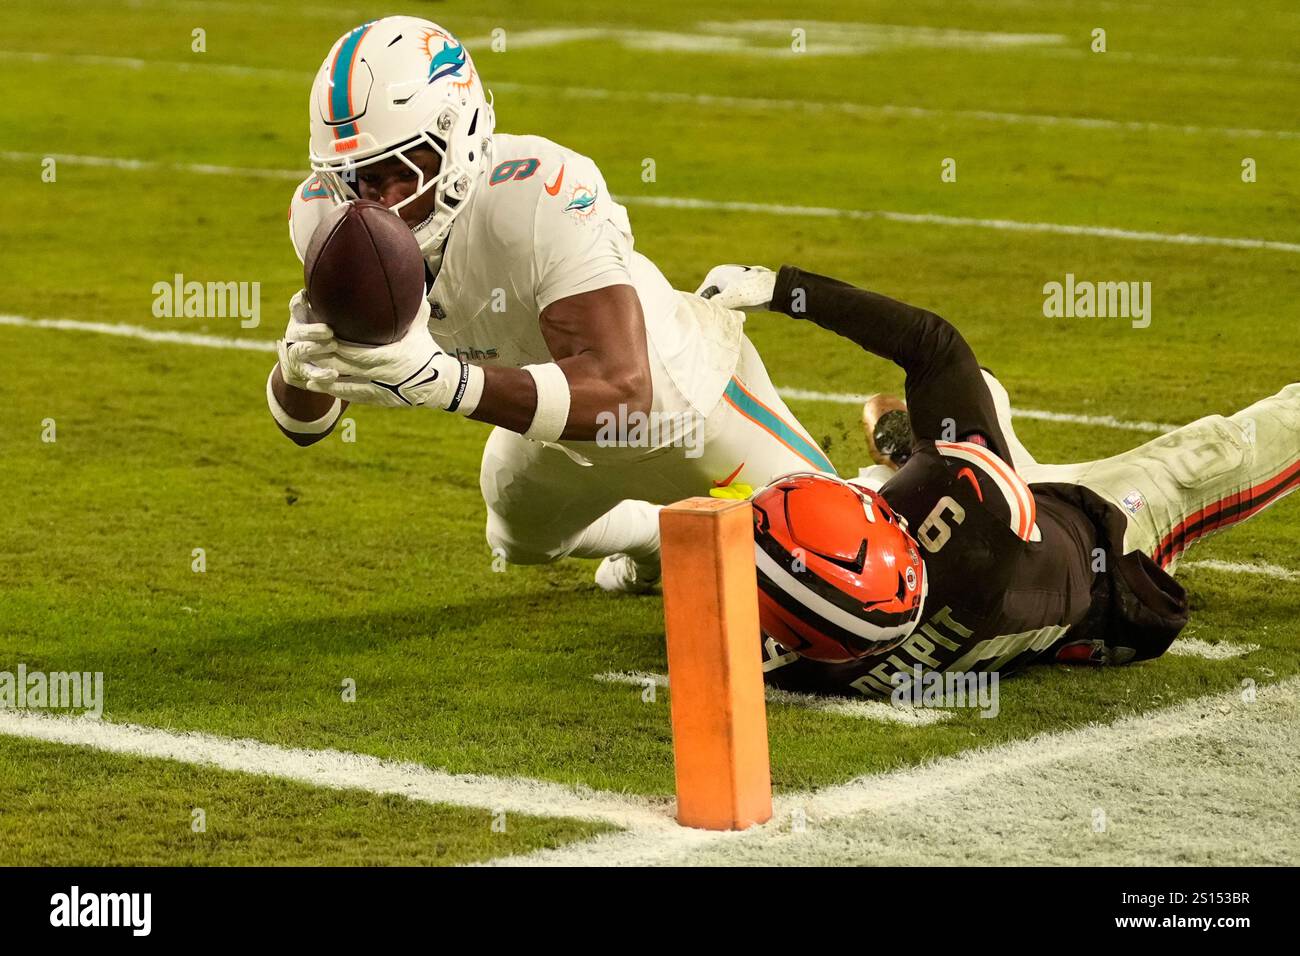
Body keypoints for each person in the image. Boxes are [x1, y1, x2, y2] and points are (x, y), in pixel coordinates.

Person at [267, 17, 834, 593]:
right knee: (519, 542)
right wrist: (300, 364)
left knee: (843, 559)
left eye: (398, 172)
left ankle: (896, 470)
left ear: (459, 139)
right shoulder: (331, 219)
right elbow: (305, 425)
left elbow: (626, 395)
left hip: (690, 403)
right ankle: (659, 537)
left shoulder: (539, 190)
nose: (376, 203)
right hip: (556, 428)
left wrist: (446, 384)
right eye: (356, 178)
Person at [697, 265, 1300, 697]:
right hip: (1100, 543)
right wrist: (786, 289)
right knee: (1211, 454)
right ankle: (916, 448)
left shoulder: (796, 659)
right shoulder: (974, 510)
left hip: (1012, 548)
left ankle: (917, 447)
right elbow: (936, 348)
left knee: (969, 419)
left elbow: (751, 571)